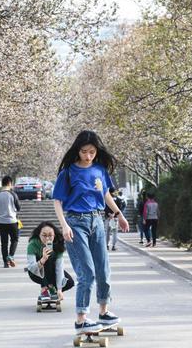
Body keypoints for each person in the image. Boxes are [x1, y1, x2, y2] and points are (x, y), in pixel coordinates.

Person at [53, 130, 129, 335]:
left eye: (92, 152)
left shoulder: (100, 170)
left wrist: (119, 214)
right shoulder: (68, 172)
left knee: (103, 270)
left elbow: (105, 194)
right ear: (77, 150)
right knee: (87, 272)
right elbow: (57, 201)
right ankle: (81, 320)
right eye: (84, 151)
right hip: (75, 223)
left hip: (97, 220)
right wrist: (64, 225)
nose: (88, 156)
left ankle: (104, 311)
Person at [26, 221, 75, 302]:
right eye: (44, 235)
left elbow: (59, 268)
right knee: (47, 260)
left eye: (50, 235)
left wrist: (59, 289)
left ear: (54, 235)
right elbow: (31, 267)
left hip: (51, 271)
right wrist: (43, 259)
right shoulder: (33, 244)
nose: (47, 238)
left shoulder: (58, 244)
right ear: (39, 235)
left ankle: (51, 289)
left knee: (69, 282)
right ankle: (45, 287)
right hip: (35, 273)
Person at [0, 176, 21, 268]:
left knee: (4, 243)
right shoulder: (13, 194)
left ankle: (6, 262)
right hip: (12, 221)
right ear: (9, 183)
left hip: (1, 222)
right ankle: (11, 256)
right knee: (15, 239)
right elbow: (19, 207)